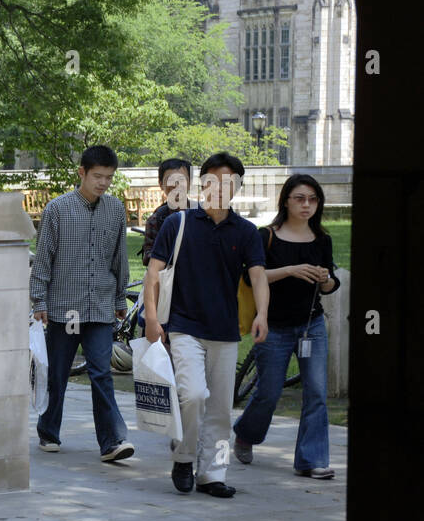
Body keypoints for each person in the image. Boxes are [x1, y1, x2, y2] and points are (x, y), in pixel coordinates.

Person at [143, 152, 268, 498]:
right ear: (203, 184)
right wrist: (152, 319)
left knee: (221, 411)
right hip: (184, 327)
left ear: (238, 188)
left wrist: (262, 314)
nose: (220, 188)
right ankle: (183, 457)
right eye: (213, 180)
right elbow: (153, 275)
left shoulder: (246, 232)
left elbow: (258, 277)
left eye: (230, 182)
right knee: (193, 394)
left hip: (226, 332)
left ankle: (213, 473)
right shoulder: (178, 224)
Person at [29, 144, 135, 462]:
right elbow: (43, 258)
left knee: (101, 372)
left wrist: (119, 297)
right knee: (59, 372)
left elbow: (120, 258)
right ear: (82, 173)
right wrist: (39, 301)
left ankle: (112, 441)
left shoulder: (116, 210)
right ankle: (49, 431)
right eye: (98, 176)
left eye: (109, 177)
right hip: (65, 307)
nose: (103, 183)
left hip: (101, 305)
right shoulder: (57, 210)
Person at [232, 175, 340, 478]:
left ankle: (312, 460)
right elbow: (250, 277)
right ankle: (246, 433)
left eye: (313, 199)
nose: (307, 205)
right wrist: (290, 270)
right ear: (286, 201)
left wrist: (325, 279)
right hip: (273, 327)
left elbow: (331, 284)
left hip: (312, 326)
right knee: (268, 391)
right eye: (300, 198)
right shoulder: (265, 236)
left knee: (316, 392)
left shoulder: (322, 239)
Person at [140, 158, 196, 267]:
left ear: (190, 183)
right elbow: (148, 256)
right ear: (161, 184)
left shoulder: (203, 215)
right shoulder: (156, 220)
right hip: (168, 281)